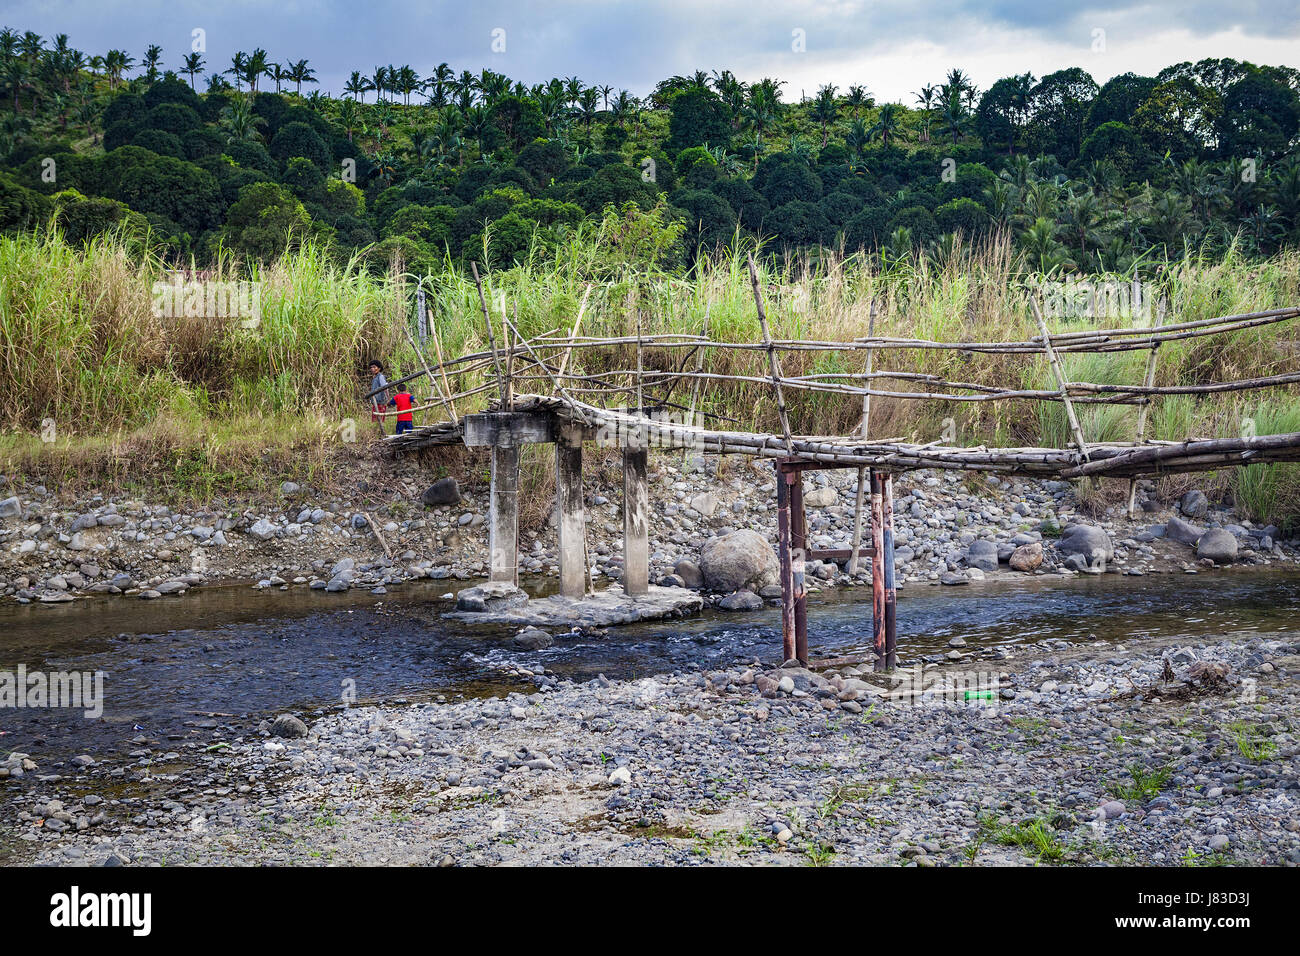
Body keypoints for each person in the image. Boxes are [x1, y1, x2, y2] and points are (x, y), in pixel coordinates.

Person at [367, 360, 388, 432]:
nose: (372, 369)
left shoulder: (380, 377)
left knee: (380, 419)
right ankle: (376, 434)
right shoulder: (375, 378)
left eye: (374, 367)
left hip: (380, 401)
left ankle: (380, 433)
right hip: (376, 402)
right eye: (371, 367)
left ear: (379, 368)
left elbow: (384, 387)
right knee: (375, 420)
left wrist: (387, 399)